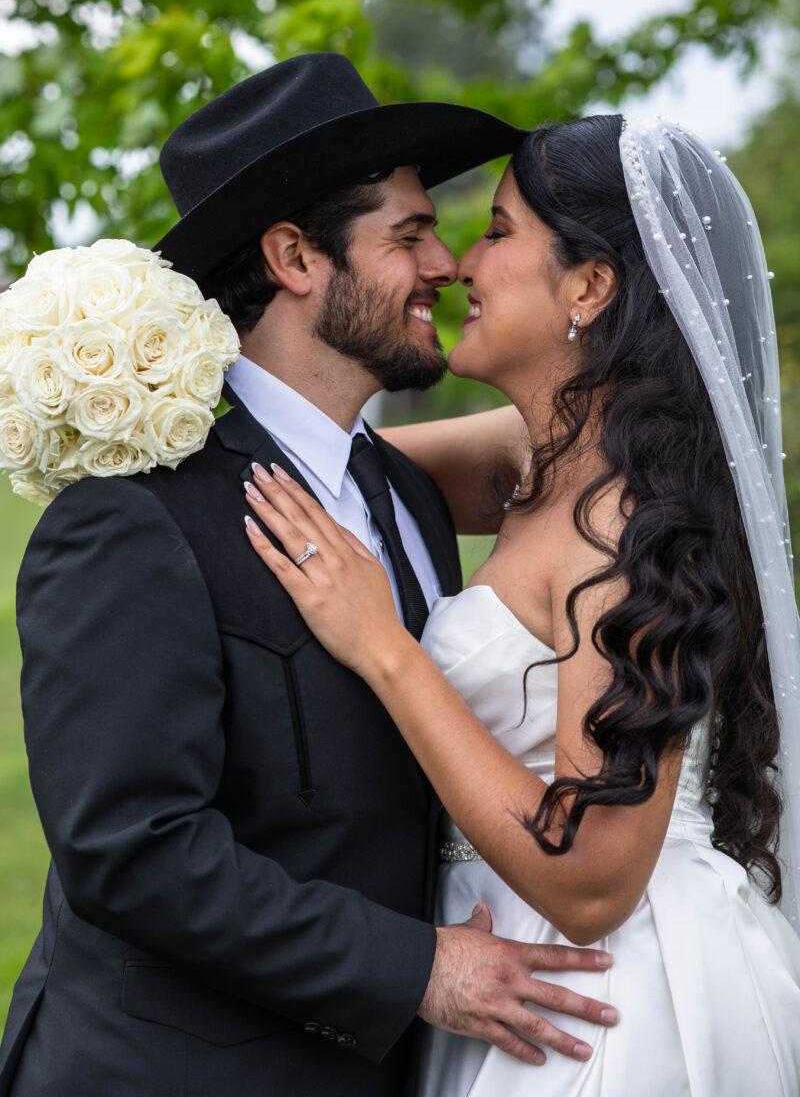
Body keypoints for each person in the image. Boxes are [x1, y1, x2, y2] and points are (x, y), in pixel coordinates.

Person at [0, 55, 618, 1097]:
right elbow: (129, 849)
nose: (446, 264)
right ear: (293, 256)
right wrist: (416, 969)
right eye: (408, 235)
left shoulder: (410, 495)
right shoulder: (134, 515)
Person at [244, 112, 800, 1096]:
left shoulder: (624, 521)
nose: (460, 264)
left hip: (606, 992)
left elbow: (592, 878)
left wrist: (386, 648)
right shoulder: (534, 457)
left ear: (588, 287)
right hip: (497, 956)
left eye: (498, 232)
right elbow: (302, 464)